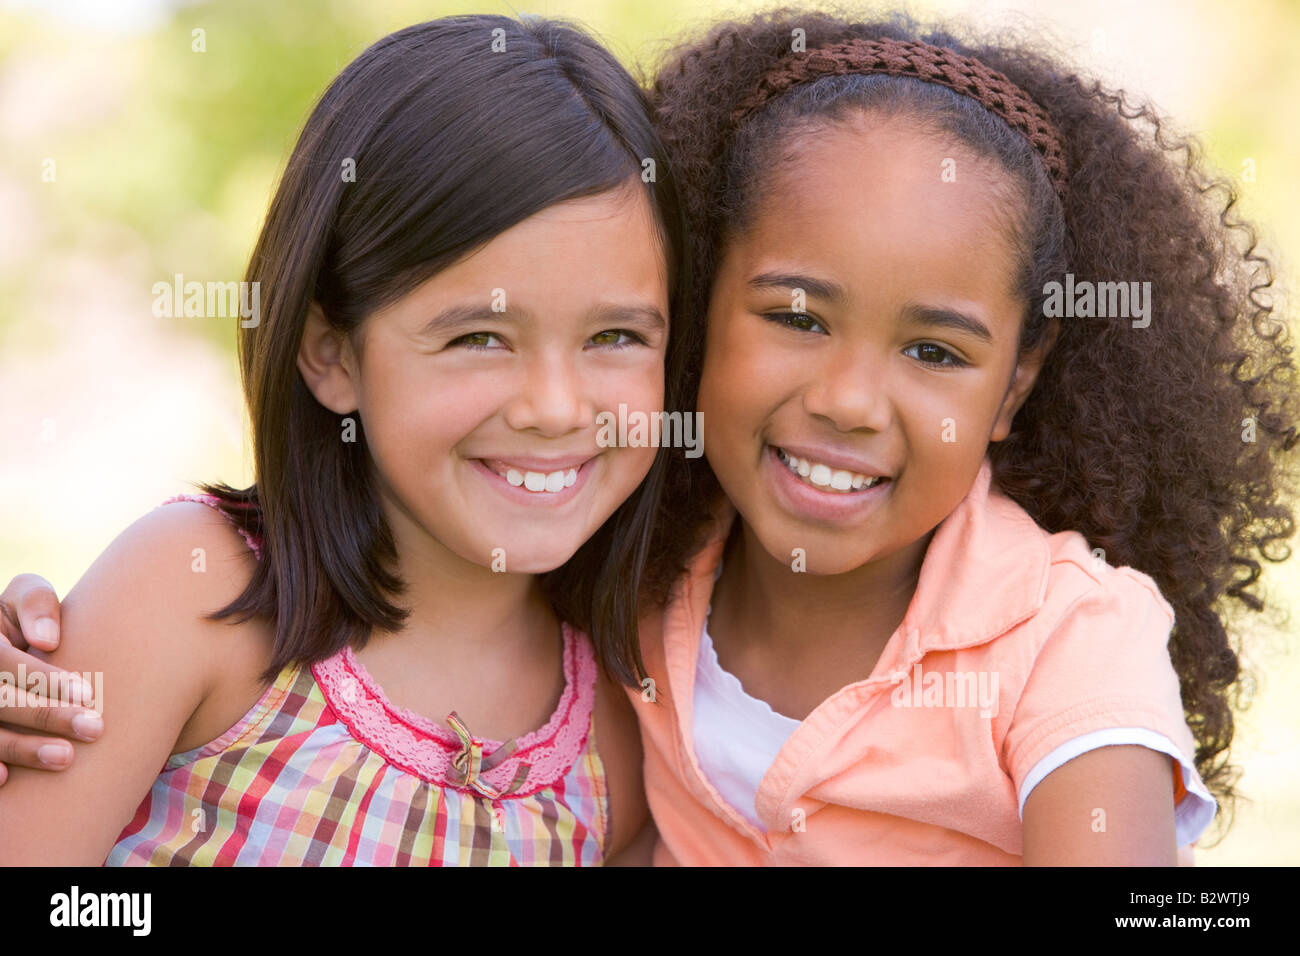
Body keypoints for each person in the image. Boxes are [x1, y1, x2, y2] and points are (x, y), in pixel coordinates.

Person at [0, 12, 689, 865]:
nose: (554, 407)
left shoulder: (615, 734)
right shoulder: (195, 598)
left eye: (615, 337)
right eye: (479, 338)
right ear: (331, 354)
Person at [611, 9, 1297, 864]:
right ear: (700, 299)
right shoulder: (641, 559)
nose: (850, 402)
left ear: (1014, 383)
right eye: (798, 317)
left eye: (933, 351)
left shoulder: (1070, 644)